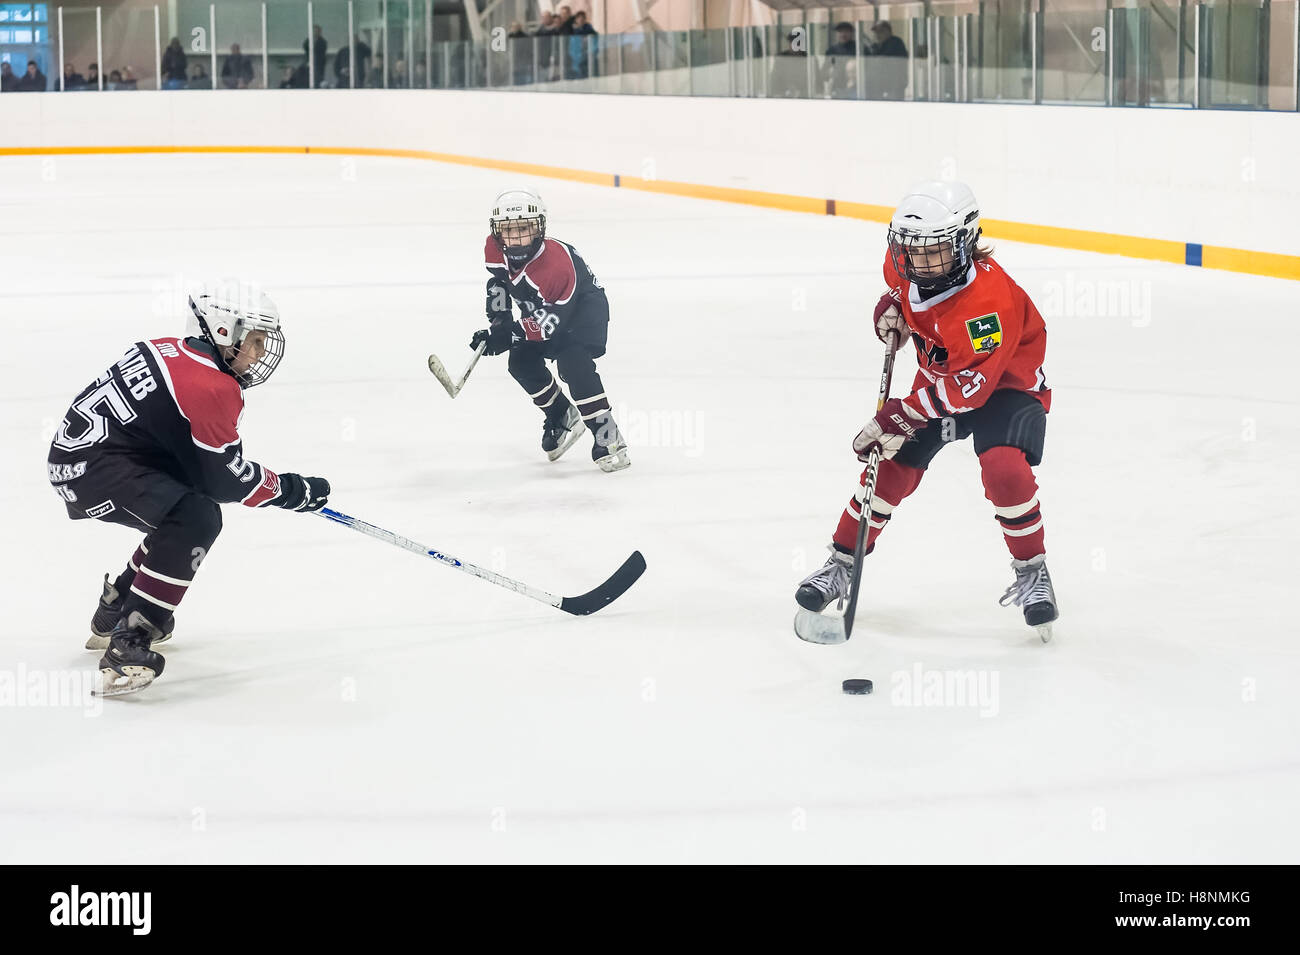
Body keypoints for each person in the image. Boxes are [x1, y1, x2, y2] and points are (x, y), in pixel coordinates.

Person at [794, 181, 1058, 638]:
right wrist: (890, 308)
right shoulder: (907, 267)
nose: (918, 261)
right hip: (942, 381)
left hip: (1005, 389)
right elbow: (903, 297)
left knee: (1004, 469)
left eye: (933, 251)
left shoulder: (987, 306)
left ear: (964, 244)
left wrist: (902, 413)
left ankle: (1033, 571)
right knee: (892, 465)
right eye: (910, 249)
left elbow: (971, 390)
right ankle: (841, 564)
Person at [47, 282, 330, 696]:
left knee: (188, 502)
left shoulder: (167, 348)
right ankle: (129, 643)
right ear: (221, 331)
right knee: (196, 516)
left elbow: (201, 466)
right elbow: (227, 480)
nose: (257, 354)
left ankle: (118, 606)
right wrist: (291, 490)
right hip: (92, 469)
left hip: (85, 459)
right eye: (253, 341)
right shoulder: (213, 386)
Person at [471, 189, 629, 471]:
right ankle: (561, 414)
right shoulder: (494, 248)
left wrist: (512, 334)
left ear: (540, 227)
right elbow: (498, 284)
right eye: (509, 230)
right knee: (521, 362)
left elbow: (550, 323)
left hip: (582, 314)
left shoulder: (555, 267)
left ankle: (607, 434)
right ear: (496, 232)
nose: (517, 237)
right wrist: (499, 324)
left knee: (573, 363)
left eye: (524, 228)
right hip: (543, 306)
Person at [869, 21, 907, 100]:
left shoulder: (896, 42)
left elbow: (884, 59)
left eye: (881, 31)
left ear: (889, 32)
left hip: (894, 84)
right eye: (876, 32)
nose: (878, 35)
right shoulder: (875, 45)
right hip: (879, 84)